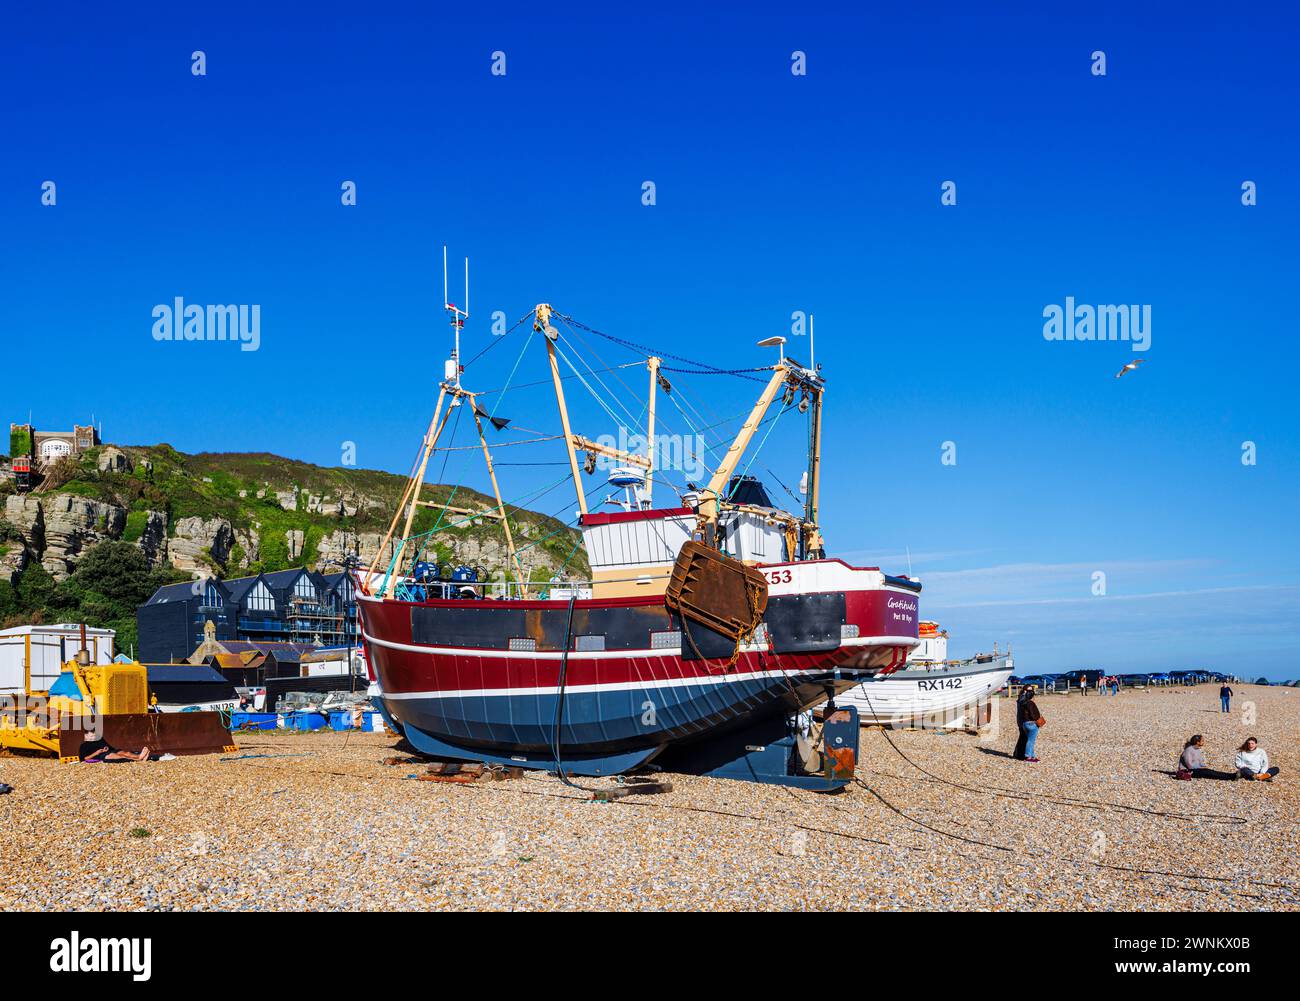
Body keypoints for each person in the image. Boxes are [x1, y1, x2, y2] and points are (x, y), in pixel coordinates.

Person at [1013, 686, 1044, 762]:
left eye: (1031, 690)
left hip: (1024, 722)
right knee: (1027, 740)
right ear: (1024, 690)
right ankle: (1026, 756)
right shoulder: (1025, 700)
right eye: (1029, 690)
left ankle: (1025, 755)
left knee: (1025, 739)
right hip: (1026, 722)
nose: (1030, 692)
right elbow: (1033, 714)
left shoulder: (1022, 700)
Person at [79, 739, 152, 763]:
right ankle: (138, 759)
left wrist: (105, 748)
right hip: (99, 755)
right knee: (119, 756)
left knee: (126, 753)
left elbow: (109, 748)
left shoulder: (99, 740)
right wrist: (97, 752)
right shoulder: (84, 746)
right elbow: (85, 759)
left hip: (108, 751)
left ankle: (139, 756)